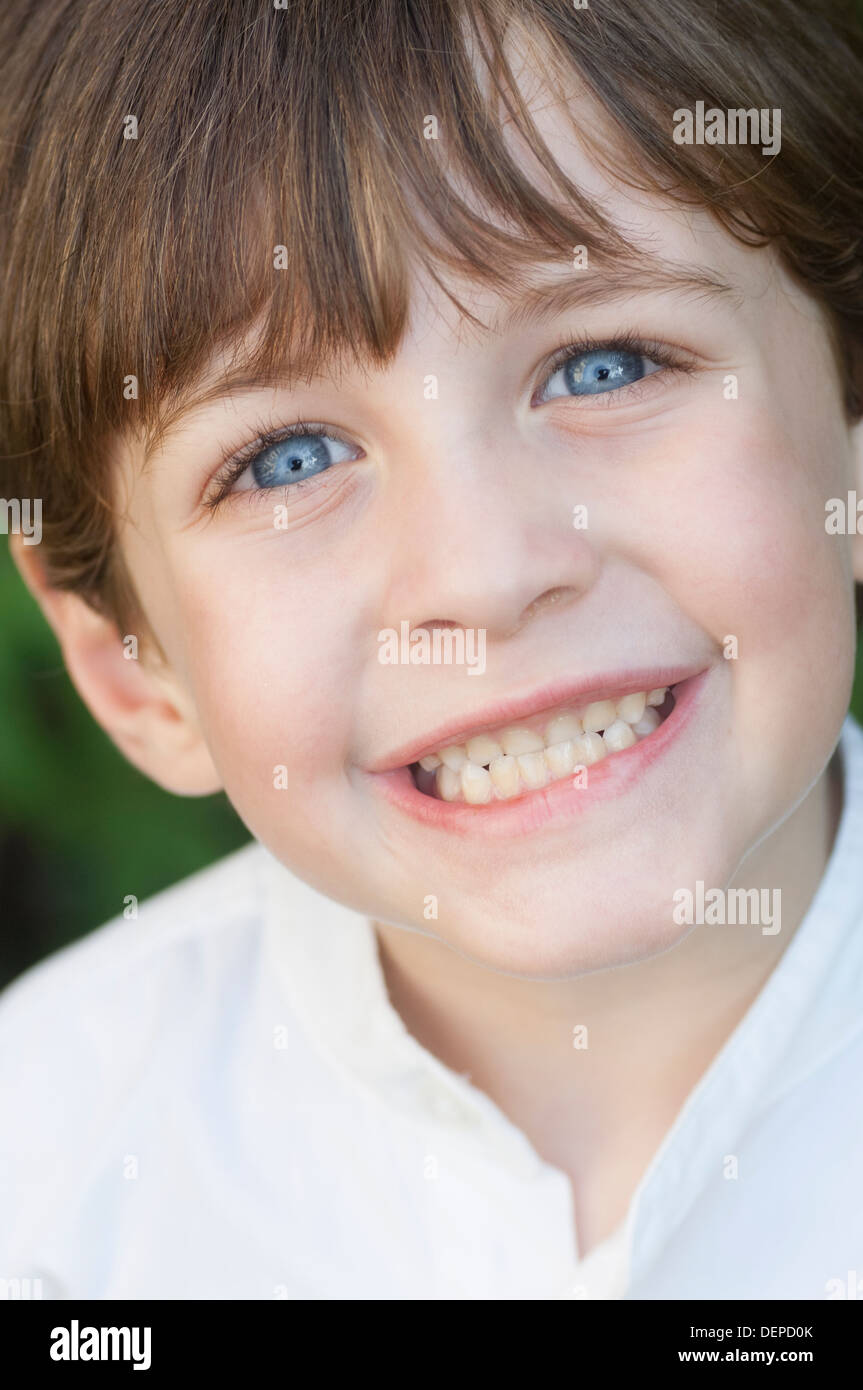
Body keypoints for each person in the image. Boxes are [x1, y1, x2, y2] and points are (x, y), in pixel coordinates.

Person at [1, 0, 862, 1300]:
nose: (489, 574)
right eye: (287, 460)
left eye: (604, 363)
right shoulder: (47, 1188)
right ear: (135, 668)